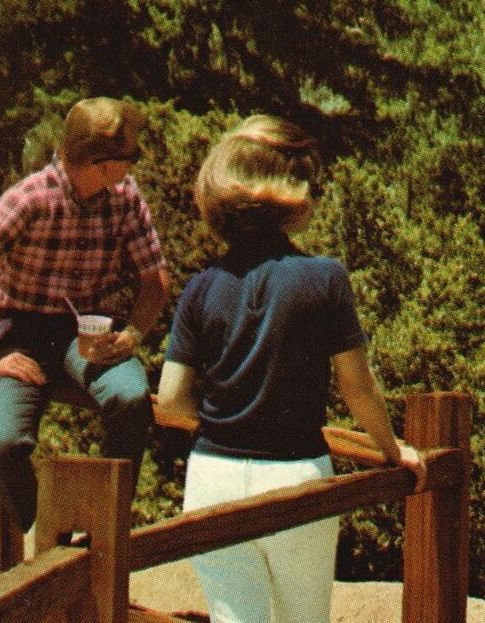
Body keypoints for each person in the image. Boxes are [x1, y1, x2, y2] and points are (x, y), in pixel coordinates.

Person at [157, 115, 423, 623]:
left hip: (211, 475)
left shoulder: (201, 286)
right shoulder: (324, 278)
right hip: (296, 476)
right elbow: (356, 386)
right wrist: (394, 451)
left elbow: (170, 401)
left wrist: (225, 421)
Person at [0, 97, 169, 533]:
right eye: (131, 155)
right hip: (23, 330)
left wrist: (133, 334)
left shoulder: (124, 197)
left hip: (88, 330)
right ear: (101, 163)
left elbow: (156, 283)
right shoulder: (31, 199)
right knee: (0, 445)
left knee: (131, 398)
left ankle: (104, 528)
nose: (135, 164)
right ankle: (47, 528)